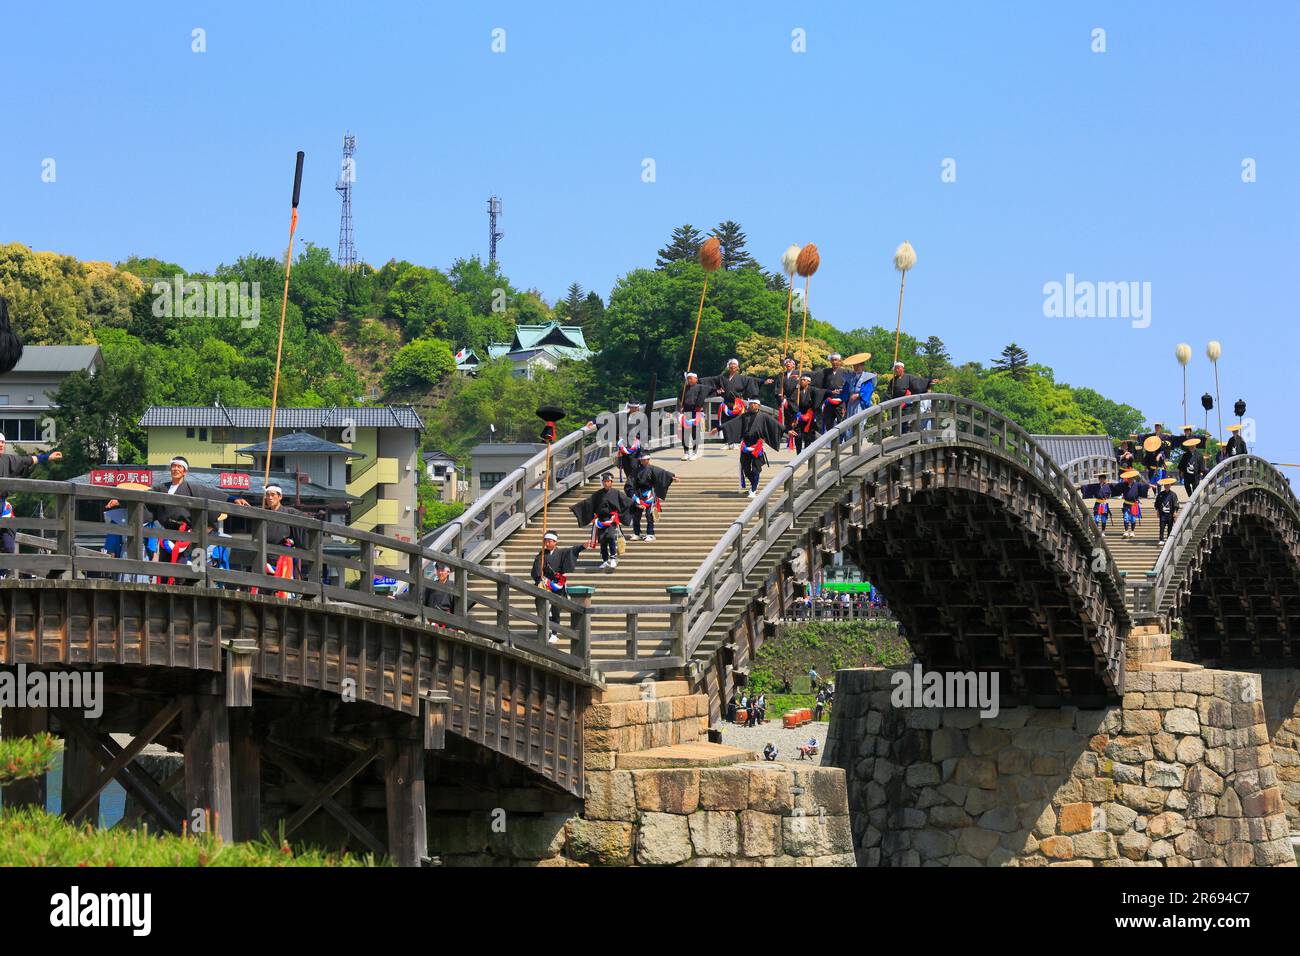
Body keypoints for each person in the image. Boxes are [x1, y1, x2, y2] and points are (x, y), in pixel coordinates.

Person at [0, 433, 63, 569]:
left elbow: (27, 460)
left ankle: (3, 573)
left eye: (3, 442)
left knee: (9, 543)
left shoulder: (8, 459)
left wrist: (47, 457)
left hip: (2, 506)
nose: (1, 444)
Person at [719, 398, 783, 498]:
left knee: (755, 469)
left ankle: (753, 490)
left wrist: (787, 431)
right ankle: (754, 482)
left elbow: (776, 425)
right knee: (746, 469)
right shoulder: (744, 416)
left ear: (759, 405)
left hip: (757, 445)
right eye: (751, 403)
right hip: (746, 444)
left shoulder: (764, 416)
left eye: (755, 403)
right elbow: (732, 423)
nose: (753, 405)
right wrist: (719, 428)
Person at [530, 531, 586, 643]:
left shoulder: (561, 552)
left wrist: (582, 547)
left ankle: (554, 633)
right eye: (545, 541)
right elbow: (536, 569)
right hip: (544, 583)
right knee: (542, 608)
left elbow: (573, 550)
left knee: (555, 609)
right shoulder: (541, 554)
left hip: (556, 584)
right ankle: (543, 631)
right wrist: (539, 578)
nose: (547, 543)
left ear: (555, 542)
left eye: (549, 541)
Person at [570, 471, 632, 571]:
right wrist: (574, 507)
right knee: (602, 540)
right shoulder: (598, 494)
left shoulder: (616, 493)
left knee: (611, 537)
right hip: (601, 520)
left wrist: (636, 504)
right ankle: (604, 560)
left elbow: (627, 502)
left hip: (611, 520)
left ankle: (613, 557)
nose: (606, 483)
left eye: (608, 481)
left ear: (611, 482)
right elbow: (588, 503)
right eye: (604, 481)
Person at [703, 359, 760, 446]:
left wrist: (763, 381)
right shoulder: (722, 377)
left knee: (737, 422)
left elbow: (752, 381)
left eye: (734, 364)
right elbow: (711, 380)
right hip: (726, 403)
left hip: (737, 404)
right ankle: (727, 442)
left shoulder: (742, 378)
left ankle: (736, 443)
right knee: (725, 423)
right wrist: (698, 381)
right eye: (731, 364)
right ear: (728, 366)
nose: (733, 366)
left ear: (737, 367)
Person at [625, 451, 674, 541]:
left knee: (649, 514)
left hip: (650, 493)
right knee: (636, 515)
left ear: (648, 459)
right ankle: (637, 533)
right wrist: (633, 494)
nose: (643, 461)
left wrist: (671, 477)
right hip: (638, 494)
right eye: (642, 460)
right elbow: (629, 483)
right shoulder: (636, 471)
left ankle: (650, 533)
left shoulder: (653, 469)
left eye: (645, 460)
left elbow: (663, 474)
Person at [812, 353, 851, 434]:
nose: (834, 362)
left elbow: (850, 386)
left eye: (836, 360)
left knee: (841, 421)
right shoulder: (825, 372)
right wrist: (829, 392)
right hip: (829, 400)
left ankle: (840, 441)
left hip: (841, 401)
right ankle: (830, 442)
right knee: (828, 422)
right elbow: (818, 386)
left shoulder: (846, 372)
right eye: (832, 360)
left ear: (840, 361)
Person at [678, 372, 711, 461]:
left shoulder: (701, 388)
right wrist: (679, 409)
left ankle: (695, 452)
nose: (689, 380)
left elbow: (711, 391)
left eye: (691, 378)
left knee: (694, 433)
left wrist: (719, 391)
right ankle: (686, 452)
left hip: (695, 412)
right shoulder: (684, 389)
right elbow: (679, 400)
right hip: (686, 412)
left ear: (696, 379)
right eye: (688, 378)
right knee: (685, 434)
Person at [789, 374, 825, 454]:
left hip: (809, 415)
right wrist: (796, 412)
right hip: (798, 415)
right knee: (798, 436)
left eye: (804, 380)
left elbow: (820, 394)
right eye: (801, 380)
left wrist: (812, 409)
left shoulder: (813, 390)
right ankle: (798, 453)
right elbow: (791, 400)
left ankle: (806, 454)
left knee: (808, 436)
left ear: (808, 382)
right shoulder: (797, 390)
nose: (802, 381)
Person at [1118, 469, 1148, 539]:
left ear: (1133, 478)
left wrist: (1149, 486)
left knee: (1133, 519)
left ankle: (1132, 531)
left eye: (1131, 478)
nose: (1129, 479)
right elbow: (1116, 487)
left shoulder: (1137, 484)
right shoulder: (1124, 485)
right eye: (1128, 478)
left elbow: (1144, 487)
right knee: (1126, 518)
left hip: (1134, 504)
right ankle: (1126, 531)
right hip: (1126, 504)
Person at [1154, 477, 1180, 543]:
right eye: (1165, 485)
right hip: (1162, 514)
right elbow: (1157, 503)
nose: (1166, 486)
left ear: (1170, 485)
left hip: (1170, 514)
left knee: (1170, 527)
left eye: (1168, 485)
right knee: (1162, 527)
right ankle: (1161, 539)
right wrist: (1157, 511)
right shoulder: (1160, 494)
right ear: (1164, 486)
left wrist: (1175, 512)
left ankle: (1169, 539)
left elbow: (1176, 504)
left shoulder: (1173, 494)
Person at [1091, 471, 1112, 537]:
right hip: (1097, 503)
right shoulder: (1096, 486)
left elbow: (1110, 493)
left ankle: (1103, 531)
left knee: (1103, 519)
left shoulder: (1108, 486)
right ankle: (1096, 532)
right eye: (1100, 479)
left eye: (1103, 479)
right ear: (1099, 479)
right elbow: (1089, 488)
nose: (1102, 480)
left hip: (1104, 503)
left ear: (1105, 479)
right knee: (1096, 518)